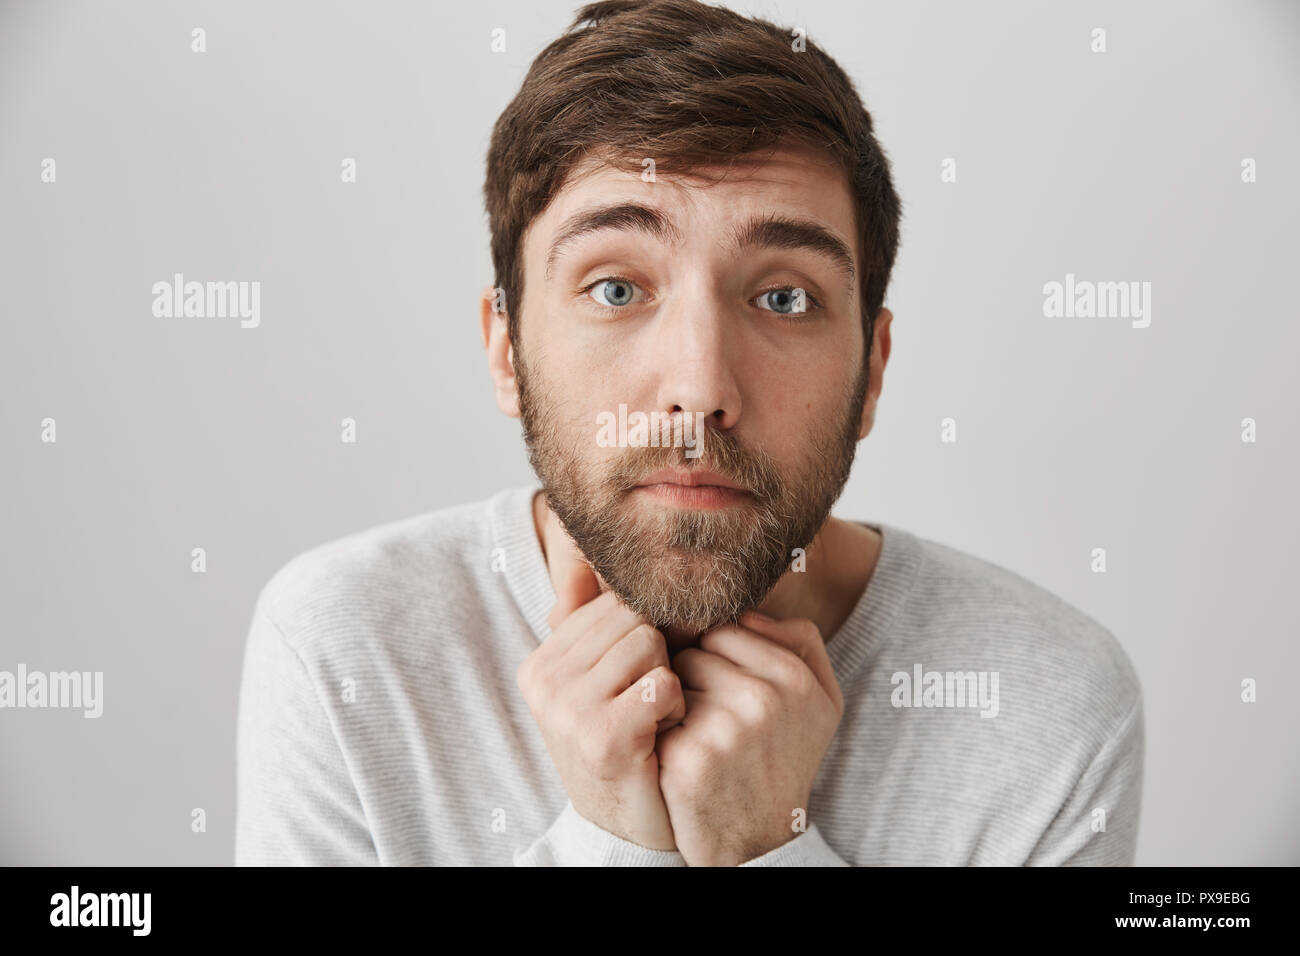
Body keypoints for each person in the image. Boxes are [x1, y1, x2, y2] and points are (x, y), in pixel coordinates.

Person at [235, 0, 1143, 866]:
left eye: (783, 298)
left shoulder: (1046, 704)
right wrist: (612, 843)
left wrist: (768, 849)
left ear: (873, 367)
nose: (701, 391)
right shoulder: (343, 650)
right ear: (507, 352)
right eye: (617, 289)